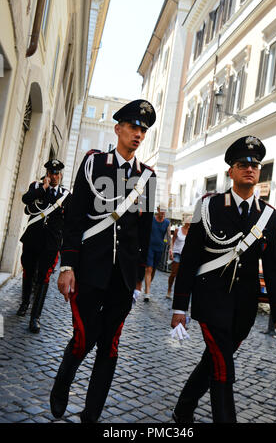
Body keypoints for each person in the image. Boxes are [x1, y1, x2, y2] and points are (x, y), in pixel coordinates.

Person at [50, 99, 156, 423]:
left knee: (109, 346)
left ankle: (91, 414)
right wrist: (67, 266)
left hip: (122, 279)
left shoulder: (147, 177)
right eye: (134, 127)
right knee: (84, 336)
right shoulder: (93, 164)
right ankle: (63, 380)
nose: (139, 134)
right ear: (118, 129)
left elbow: (145, 231)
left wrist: (138, 278)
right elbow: (74, 217)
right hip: (88, 271)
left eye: (144, 130)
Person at [171, 135, 276, 423]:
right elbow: (189, 260)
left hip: (244, 309)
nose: (250, 169)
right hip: (210, 302)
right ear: (230, 171)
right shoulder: (208, 206)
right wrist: (179, 308)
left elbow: (274, 270)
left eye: (255, 165)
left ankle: (184, 407)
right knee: (223, 368)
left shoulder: (269, 217)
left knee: (213, 359)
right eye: (242, 164)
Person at [17, 159, 71, 333]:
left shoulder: (66, 195)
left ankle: (35, 318)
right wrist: (43, 188)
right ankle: (25, 303)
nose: (54, 176)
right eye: (51, 173)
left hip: (51, 244)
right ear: (47, 173)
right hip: (33, 239)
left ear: (61, 175)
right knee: (28, 271)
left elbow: (69, 222)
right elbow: (26, 200)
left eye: (56, 173)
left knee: (44, 278)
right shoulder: (36, 187)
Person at [143, 206, 171, 302]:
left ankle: (147, 287)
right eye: (162, 210)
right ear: (158, 210)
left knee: (154, 269)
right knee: (149, 268)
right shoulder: (152, 219)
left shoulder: (167, 222)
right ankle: (147, 292)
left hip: (159, 248)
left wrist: (170, 248)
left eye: (165, 211)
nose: (163, 212)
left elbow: (168, 236)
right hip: (150, 247)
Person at [166, 216, 191, 299]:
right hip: (177, 253)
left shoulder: (191, 231)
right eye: (189, 222)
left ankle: (177, 292)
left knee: (182, 276)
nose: (190, 223)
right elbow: (172, 241)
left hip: (186, 256)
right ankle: (169, 289)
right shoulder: (178, 229)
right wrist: (171, 251)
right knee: (173, 274)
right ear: (186, 222)